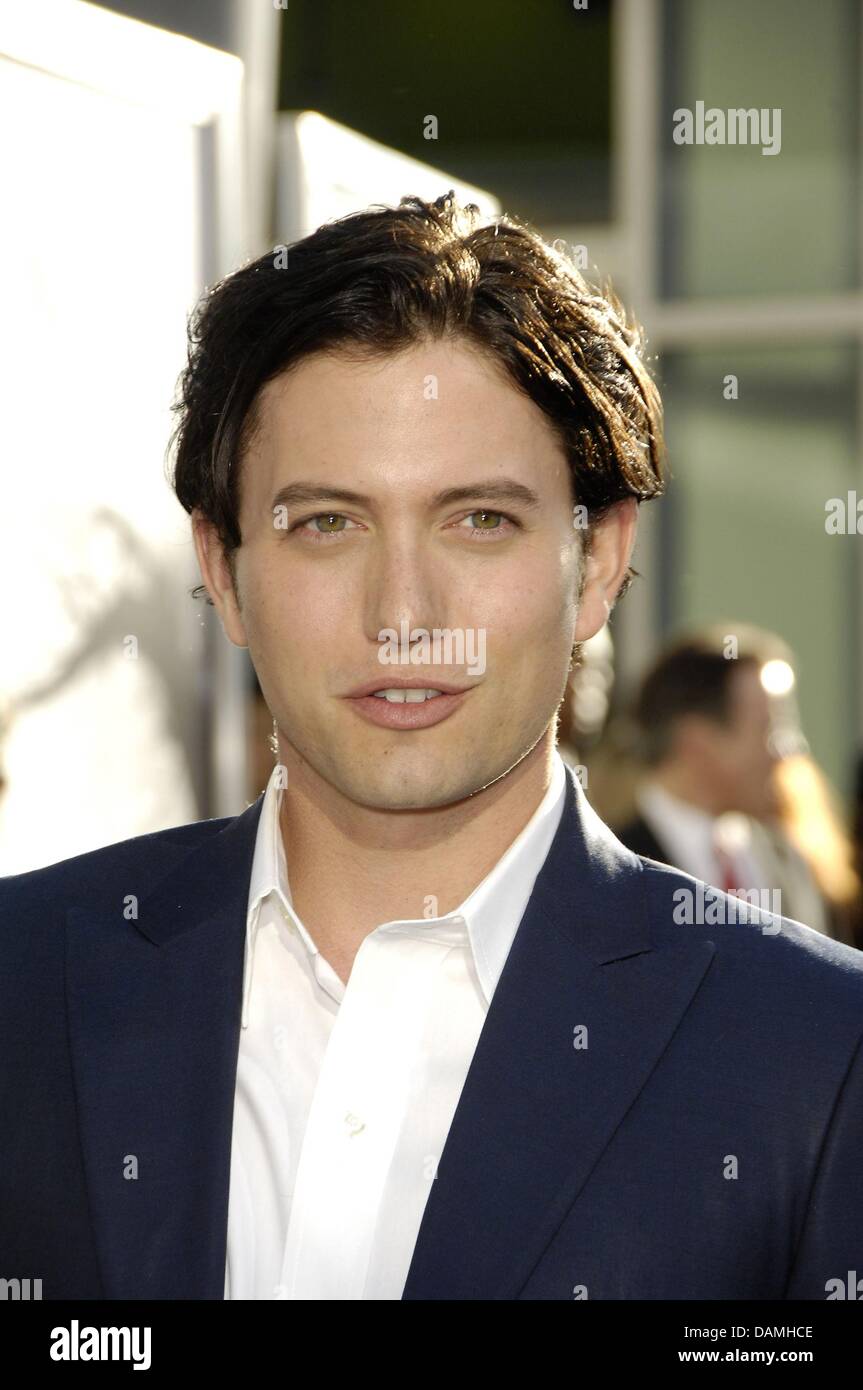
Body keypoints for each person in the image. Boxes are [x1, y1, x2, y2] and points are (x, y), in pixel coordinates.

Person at [2, 192, 862, 1301]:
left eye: (479, 520)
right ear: (221, 570)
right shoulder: (26, 985)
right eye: (326, 523)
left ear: (596, 561)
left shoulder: (814, 1055)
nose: (402, 612)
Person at [615, 625, 839, 939]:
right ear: (697, 742)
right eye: (771, 728)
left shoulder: (791, 861)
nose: (790, 751)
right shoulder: (610, 869)